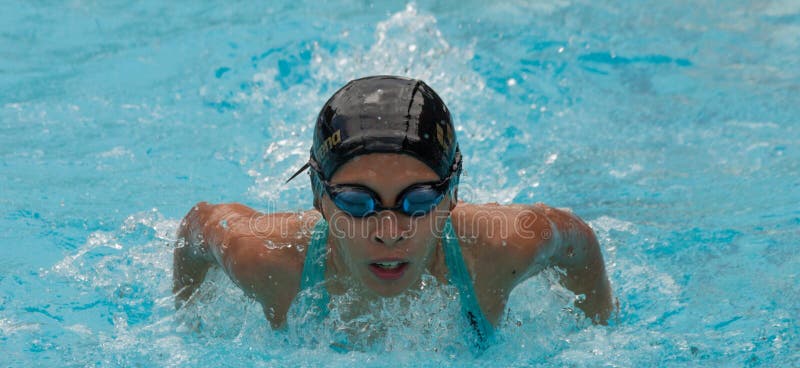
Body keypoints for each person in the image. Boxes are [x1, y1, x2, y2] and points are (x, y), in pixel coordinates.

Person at [173, 75, 613, 349]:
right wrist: (187, 323)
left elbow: (577, 242)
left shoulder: (503, 247)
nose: (389, 231)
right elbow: (199, 226)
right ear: (319, 197)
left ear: (451, 195)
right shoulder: (264, 258)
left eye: (418, 201)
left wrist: (598, 331)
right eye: (356, 202)